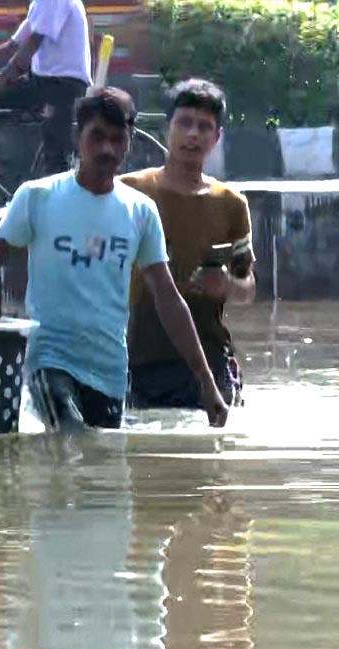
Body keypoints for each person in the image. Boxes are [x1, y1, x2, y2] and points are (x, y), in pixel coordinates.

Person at [0, 87, 228, 431]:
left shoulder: (140, 212)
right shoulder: (37, 197)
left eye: (118, 139)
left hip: (109, 373)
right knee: (72, 436)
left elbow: (167, 298)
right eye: (97, 137)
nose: (107, 149)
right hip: (48, 361)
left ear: (129, 142)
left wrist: (206, 381)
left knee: (101, 466)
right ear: (77, 136)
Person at [120, 79, 255, 410]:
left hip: (210, 363)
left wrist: (225, 286)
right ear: (168, 128)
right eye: (184, 123)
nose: (193, 134)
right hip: (139, 360)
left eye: (204, 127)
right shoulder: (128, 192)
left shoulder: (232, 204)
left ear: (217, 138)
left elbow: (247, 287)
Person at [0, 0, 92, 176]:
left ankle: (59, 195)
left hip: (61, 86)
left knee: (56, 157)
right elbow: (13, 45)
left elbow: (31, 45)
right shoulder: (40, 5)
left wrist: (4, 77)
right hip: (46, 82)